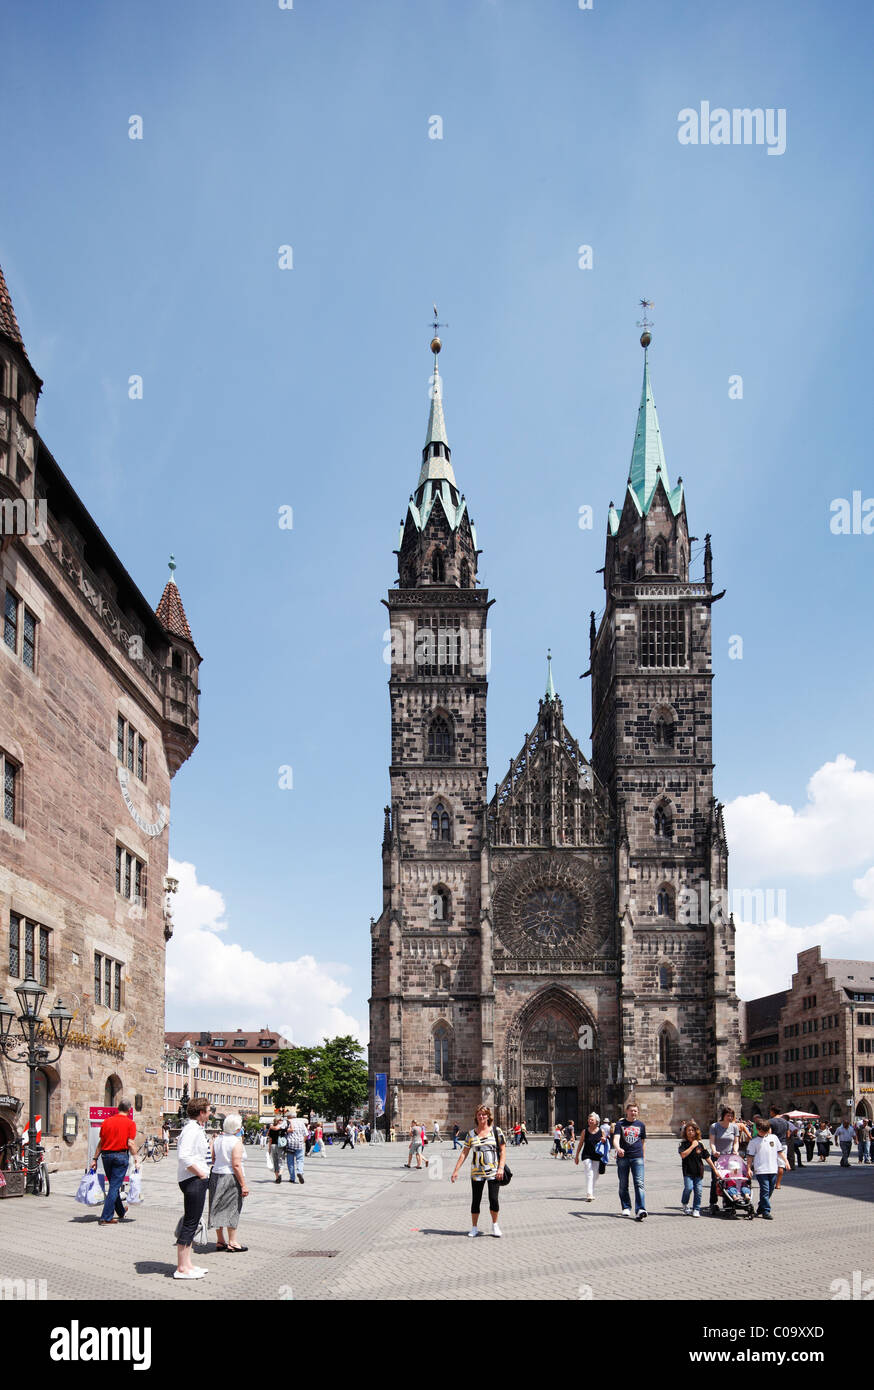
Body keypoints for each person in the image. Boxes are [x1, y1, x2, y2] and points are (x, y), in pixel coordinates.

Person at [450, 1104, 506, 1237]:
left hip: (493, 1172)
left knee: (494, 1199)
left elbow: (503, 1150)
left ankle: (495, 1225)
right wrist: (455, 1170)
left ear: (488, 1116)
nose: (481, 1116)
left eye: (484, 1114)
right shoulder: (471, 1134)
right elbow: (464, 1153)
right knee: (476, 1200)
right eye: (479, 1114)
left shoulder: (496, 1131)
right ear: (476, 1116)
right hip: (476, 1173)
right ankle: (474, 1227)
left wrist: (501, 1168)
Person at [175, 1098, 211, 1278]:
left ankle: (187, 1264)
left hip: (194, 1178)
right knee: (190, 1223)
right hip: (193, 1179)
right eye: (209, 1110)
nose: (210, 1113)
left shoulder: (195, 1128)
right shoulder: (191, 1130)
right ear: (201, 1112)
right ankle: (182, 1267)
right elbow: (184, 1156)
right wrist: (201, 1174)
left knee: (193, 1221)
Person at [91, 1099, 139, 1226]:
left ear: (118, 1108)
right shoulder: (130, 1123)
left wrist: (95, 1159)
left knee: (114, 1185)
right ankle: (106, 1217)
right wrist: (136, 1159)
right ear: (129, 1110)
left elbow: (101, 1143)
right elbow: (130, 1143)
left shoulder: (106, 1121)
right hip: (120, 1156)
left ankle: (121, 1211)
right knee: (114, 1186)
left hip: (106, 1156)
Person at [208, 1113, 249, 1252]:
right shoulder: (236, 1142)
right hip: (230, 1177)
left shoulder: (217, 1139)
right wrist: (243, 1185)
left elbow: (212, 1158)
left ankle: (220, 1240)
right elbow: (236, 1165)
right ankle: (233, 1242)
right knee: (233, 1208)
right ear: (237, 1129)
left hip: (216, 1175)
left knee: (216, 1205)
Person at [746, 1118, 787, 1220]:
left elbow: (780, 1151)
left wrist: (786, 1162)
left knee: (771, 1189)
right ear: (758, 1129)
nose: (764, 1133)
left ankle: (761, 1207)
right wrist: (748, 1168)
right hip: (761, 1169)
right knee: (765, 1190)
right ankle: (766, 1211)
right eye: (762, 1131)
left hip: (773, 1168)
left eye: (766, 1130)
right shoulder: (754, 1141)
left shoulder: (774, 1138)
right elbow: (750, 1156)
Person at [613, 1102, 647, 1220]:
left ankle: (641, 1209)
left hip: (637, 1157)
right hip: (623, 1157)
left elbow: (642, 1142)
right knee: (623, 1184)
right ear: (626, 1111)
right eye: (631, 1110)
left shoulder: (641, 1125)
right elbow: (616, 1139)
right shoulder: (620, 1124)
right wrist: (618, 1149)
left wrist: (643, 1157)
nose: (633, 1113)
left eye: (635, 1111)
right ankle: (626, 1207)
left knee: (639, 1184)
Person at [678, 1121, 720, 1216]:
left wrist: (714, 1169)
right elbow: (683, 1155)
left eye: (692, 1130)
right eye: (688, 1130)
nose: (690, 1132)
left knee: (698, 1191)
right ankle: (685, 1204)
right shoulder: (683, 1144)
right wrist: (693, 1146)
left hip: (699, 1171)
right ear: (685, 1132)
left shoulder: (700, 1145)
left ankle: (696, 1209)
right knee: (688, 1188)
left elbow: (707, 1157)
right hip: (688, 1171)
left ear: (696, 1132)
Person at [707, 1107, 740, 1213]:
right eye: (728, 1115)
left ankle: (729, 1202)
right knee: (716, 1180)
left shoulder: (734, 1127)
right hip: (717, 1157)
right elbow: (712, 1142)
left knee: (732, 1179)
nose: (730, 1118)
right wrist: (714, 1151)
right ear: (723, 1116)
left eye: (731, 1116)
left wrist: (735, 1150)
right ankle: (713, 1202)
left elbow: (736, 1142)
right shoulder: (715, 1126)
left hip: (731, 1158)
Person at [574, 1112, 607, 1201]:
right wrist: (576, 1156)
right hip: (586, 1155)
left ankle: (591, 1191)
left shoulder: (601, 1131)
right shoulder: (585, 1131)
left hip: (597, 1155)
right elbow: (580, 1144)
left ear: (597, 1121)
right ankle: (589, 1193)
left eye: (592, 1119)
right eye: (589, 1119)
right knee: (589, 1172)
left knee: (595, 1175)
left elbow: (606, 1144)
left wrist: (604, 1140)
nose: (590, 1121)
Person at [266, 1113, 286, 1184]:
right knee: (281, 1161)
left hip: (273, 1146)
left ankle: (277, 1178)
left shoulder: (271, 1128)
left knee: (275, 1162)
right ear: (279, 1120)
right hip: (280, 1146)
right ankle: (280, 1174)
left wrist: (269, 1149)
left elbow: (270, 1139)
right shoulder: (282, 1128)